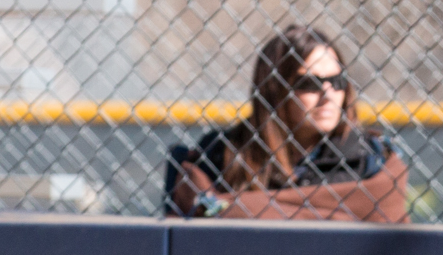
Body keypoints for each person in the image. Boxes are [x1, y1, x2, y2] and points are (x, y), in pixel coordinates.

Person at [165, 24, 408, 222]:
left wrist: (243, 209)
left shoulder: (370, 158)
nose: (328, 96)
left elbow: (387, 219)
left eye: (337, 81)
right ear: (276, 91)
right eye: (310, 84)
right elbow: (193, 217)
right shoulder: (224, 153)